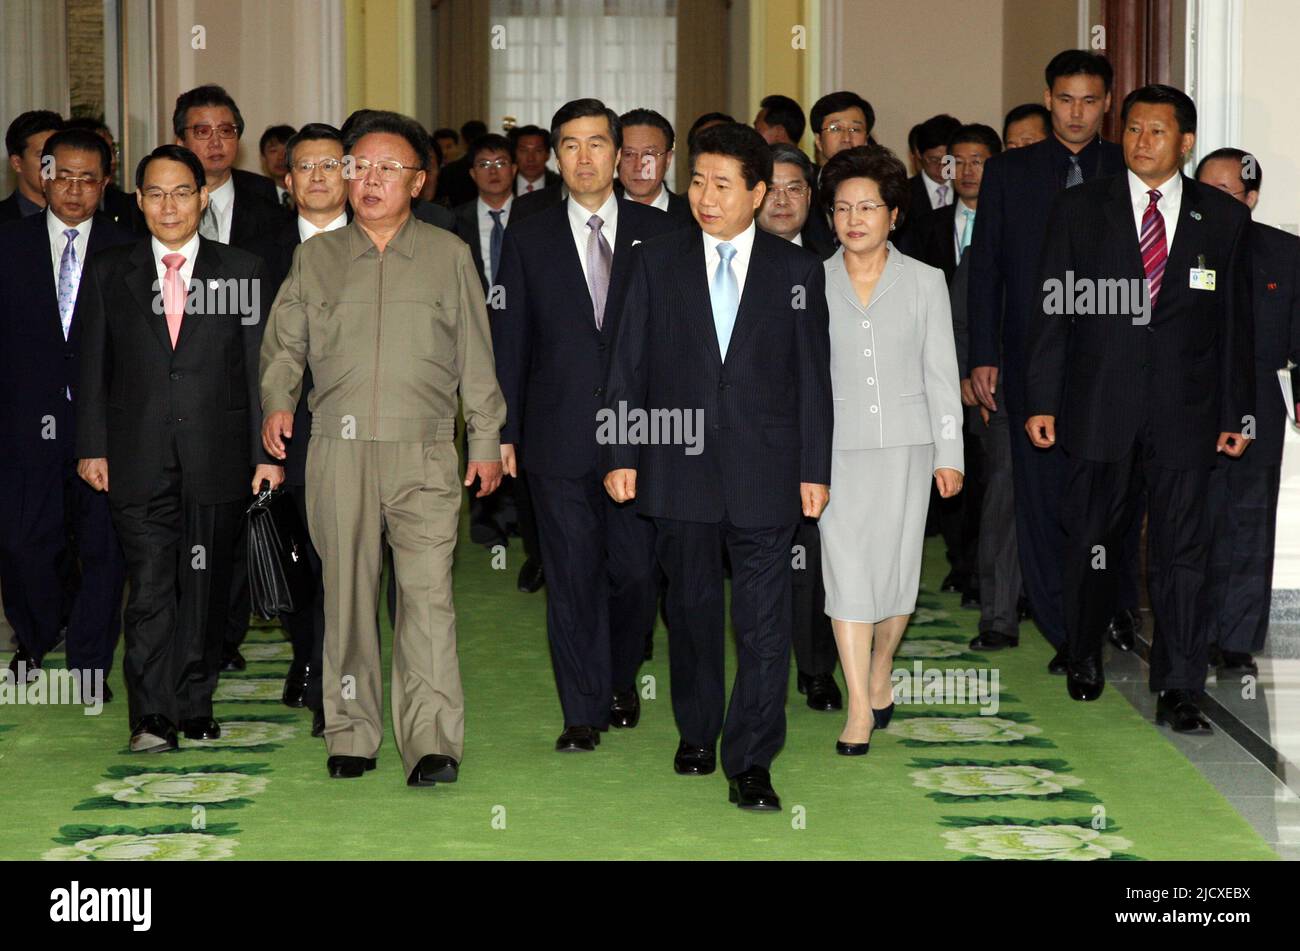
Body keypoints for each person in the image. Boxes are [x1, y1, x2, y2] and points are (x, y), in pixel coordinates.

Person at [260, 110, 505, 785]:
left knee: (427, 598)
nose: (367, 180)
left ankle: (431, 741)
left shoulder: (449, 255)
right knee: (345, 597)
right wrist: (277, 403)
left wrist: (485, 437)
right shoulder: (317, 257)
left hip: (424, 454)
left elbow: (476, 360)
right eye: (357, 166)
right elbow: (285, 345)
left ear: (418, 181)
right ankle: (352, 732)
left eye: (386, 169)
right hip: (338, 454)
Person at [603, 122, 832, 810]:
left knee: (764, 625)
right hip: (677, 468)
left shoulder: (797, 271)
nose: (705, 195)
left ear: (758, 193)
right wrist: (620, 452)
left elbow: (814, 381)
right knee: (694, 609)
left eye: (722, 184)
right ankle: (698, 730)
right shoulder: (655, 259)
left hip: (768, 471)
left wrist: (815, 469)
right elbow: (627, 364)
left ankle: (753, 758)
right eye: (697, 180)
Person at [1026, 84, 1253, 734]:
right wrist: (1042, 398)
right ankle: (1083, 651)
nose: (1141, 142)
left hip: (1187, 411)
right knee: (1093, 536)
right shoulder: (1079, 208)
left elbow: (1236, 328)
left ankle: (1180, 684)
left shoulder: (1223, 218)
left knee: (1183, 550)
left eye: (1156, 132)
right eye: (1132, 130)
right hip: (1099, 404)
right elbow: (1053, 310)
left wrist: (1235, 413)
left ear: (1185, 142)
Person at [75, 144, 277, 751]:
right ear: (138, 201)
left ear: (203, 198)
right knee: (153, 586)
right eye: (156, 193)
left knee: (205, 587)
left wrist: (265, 454)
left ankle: (194, 700)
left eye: (182, 192)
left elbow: (255, 368)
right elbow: (91, 366)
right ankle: (152, 715)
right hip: (134, 457)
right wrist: (90, 445)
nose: (169, 205)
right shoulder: (112, 270)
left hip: (216, 457)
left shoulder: (239, 268)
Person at [494, 99, 676, 752]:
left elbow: (677, 343)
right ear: (555, 156)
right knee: (570, 573)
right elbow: (510, 337)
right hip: (557, 434)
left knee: (632, 574)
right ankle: (582, 708)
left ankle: (621, 675)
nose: (584, 158)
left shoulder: (659, 230)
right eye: (569, 145)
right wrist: (503, 431)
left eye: (597, 143)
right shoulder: (529, 230)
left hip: (641, 437)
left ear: (619, 152)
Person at [967, 49, 1139, 669]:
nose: (1076, 112)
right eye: (1065, 99)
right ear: (1048, 99)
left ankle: (1102, 611)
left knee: (1103, 501)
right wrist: (982, 354)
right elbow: (985, 269)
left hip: (1104, 367)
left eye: (1090, 101)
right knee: (1033, 498)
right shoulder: (1012, 173)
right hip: (1021, 360)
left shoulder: (1126, 168)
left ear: (1107, 105)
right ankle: (1061, 628)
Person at [816, 145, 964, 755]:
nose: (855, 219)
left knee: (897, 580)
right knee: (847, 574)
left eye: (868, 207)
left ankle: (881, 667)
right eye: (843, 208)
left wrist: (949, 453)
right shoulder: (809, 281)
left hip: (908, 445)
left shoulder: (926, 281)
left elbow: (940, 370)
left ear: (893, 215)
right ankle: (857, 701)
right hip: (835, 452)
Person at [0, 128, 133, 696]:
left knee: (103, 549)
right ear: (40, 175)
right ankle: (33, 638)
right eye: (64, 175)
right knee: (25, 545)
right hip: (23, 426)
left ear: (105, 184)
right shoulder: (7, 245)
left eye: (88, 179)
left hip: (105, 426)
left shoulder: (129, 249)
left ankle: (88, 666)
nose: (74, 190)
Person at [245, 122, 351, 739]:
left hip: (360, 431)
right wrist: (264, 446)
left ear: (350, 174)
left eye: (329, 165)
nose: (316, 177)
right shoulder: (256, 252)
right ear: (286, 180)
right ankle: (307, 656)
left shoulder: (376, 242)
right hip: (288, 430)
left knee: (349, 559)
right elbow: (246, 353)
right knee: (302, 556)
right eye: (303, 167)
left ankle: (336, 680)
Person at [1198, 147, 1300, 677]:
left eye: (1225, 193)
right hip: (1190, 402)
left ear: (1251, 199)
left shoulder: (1287, 254)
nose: (1210, 202)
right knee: (1194, 522)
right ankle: (1195, 631)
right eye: (1203, 190)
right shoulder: (1176, 252)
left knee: (1248, 523)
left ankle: (1237, 639)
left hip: (1258, 404)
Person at [756, 140, 840, 713]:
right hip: (746, 436)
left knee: (814, 554)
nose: (784, 200)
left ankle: (816, 668)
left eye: (796, 188)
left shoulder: (836, 260)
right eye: (774, 187)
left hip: (817, 432)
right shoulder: (727, 258)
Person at [903, 123, 1001, 608]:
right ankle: (962, 567)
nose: (964, 171)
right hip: (930, 370)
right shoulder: (925, 229)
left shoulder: (1011, 229)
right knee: (945, 467)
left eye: (977, 160)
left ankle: (988, 575)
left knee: (988, 476)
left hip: (990, 376)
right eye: (955, 161)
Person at [452, 131, 543, 586]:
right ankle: (487, 519)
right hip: (470, 336)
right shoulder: (454, 222)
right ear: (471, 173)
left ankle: (526, 525)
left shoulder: (537, 216)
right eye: (483, 164)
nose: (493, 171)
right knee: (479, 421)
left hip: (526, 339)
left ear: (516, 169)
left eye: (501, 162)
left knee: (521, 424)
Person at [173, 85, 285, 250]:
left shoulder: (266, 204)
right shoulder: (159, 204)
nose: (216, 142)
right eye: (203, 132)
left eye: (225, 130)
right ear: (181, 143)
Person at [63, 116, 139, 231]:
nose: (113, 160)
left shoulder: (128, 206)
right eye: (104, 153)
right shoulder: (59, 207)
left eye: (113, 150)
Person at [618, 108, 692, 224]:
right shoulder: (597, 216)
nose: (638, 167)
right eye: (628, 154)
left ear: (668, 159)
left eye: (649, 155)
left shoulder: (693, 218)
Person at [1, 110, 62, 222]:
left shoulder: (91, 219)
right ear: (17, 163)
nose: (53, 164)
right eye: (43, 155)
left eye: (59, 155)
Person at [434, 118, 487, 208]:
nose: (444, 152)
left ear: (460, 144)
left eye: (449, 147)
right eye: (440, 147)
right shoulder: (437, 173)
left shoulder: (452, 170)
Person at [509, 124, 560, 195]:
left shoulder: (561, 185)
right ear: (514, 154)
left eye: (538, 151)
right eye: (524, 151)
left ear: (547, 155)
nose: (531, 159)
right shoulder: (503, 184)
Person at [259, 124, 296, 209]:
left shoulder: (310, 196)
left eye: (287, 150)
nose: (281, 157)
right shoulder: (254, 199)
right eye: (273, 151)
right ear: (263, 158)